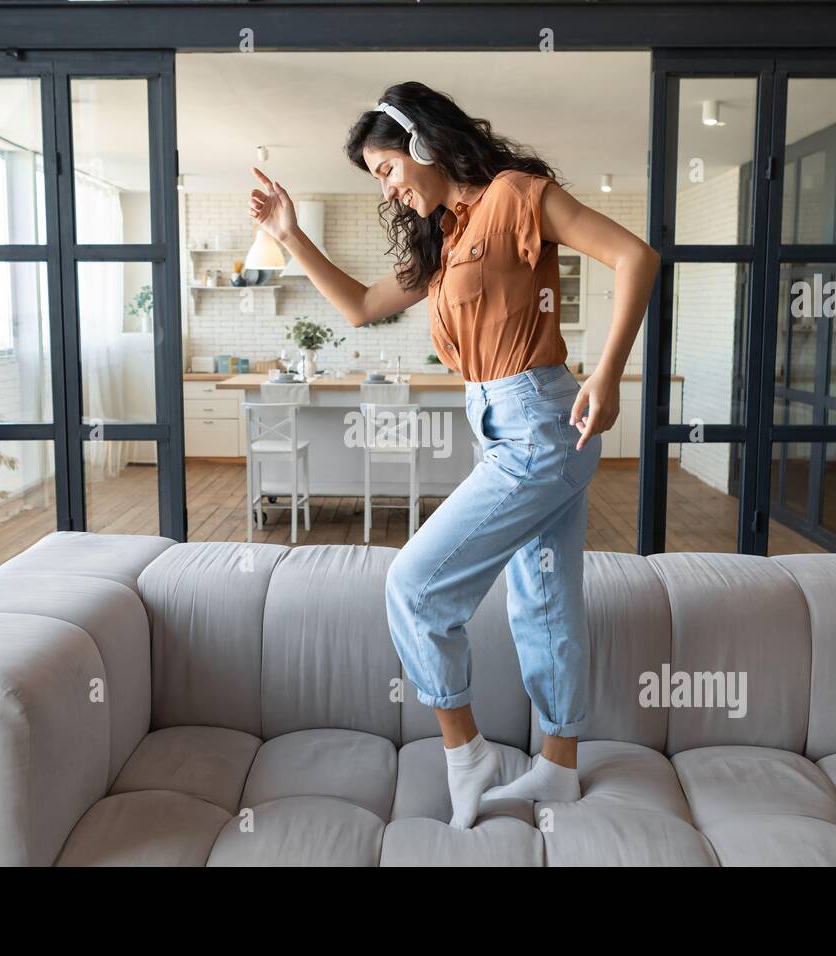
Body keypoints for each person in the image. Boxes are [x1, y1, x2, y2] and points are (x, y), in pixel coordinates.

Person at [247, 81, 658, 829]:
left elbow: (636, 257)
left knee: (414, 585)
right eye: (378, 178)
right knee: (547, 601)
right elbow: (360, 307)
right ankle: (560, 769)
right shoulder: (443, 238)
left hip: (538, 423)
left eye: (386, 168)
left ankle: (468, 756)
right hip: (509, 426)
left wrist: (608, 371)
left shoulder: (514, 196)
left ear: (426, 145)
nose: (390, 188)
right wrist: (288, 234)